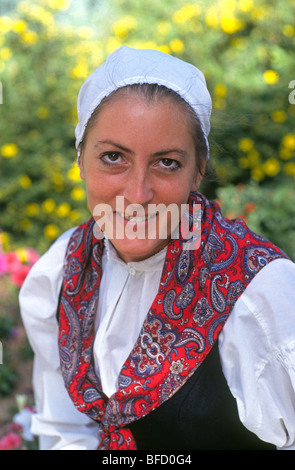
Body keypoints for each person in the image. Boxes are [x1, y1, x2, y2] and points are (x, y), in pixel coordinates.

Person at [19, 46, 295, 451]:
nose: (138, 193)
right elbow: (67, 431)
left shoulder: (259, 291)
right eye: (113, 157)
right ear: (80, 159)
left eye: (166, 162)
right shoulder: (63, 270)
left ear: (198, 169)